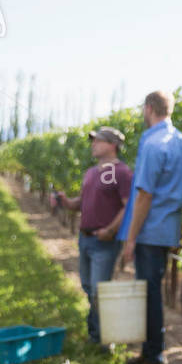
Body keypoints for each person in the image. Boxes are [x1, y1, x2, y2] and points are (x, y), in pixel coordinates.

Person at [118, 91, 182, 364]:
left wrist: (131, 237)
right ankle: (151, 353)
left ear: (149, 108)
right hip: (167, 227)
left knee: (149, 294)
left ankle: (153, 359)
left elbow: (145, 195)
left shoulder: (152, 143)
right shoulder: (181, 141)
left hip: (149, 229)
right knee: (153, 292)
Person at [56, 127, 133, 348]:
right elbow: (82, 202)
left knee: (100, 291)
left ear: (112, 145)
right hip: (85, 238)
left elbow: (128, 207)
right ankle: (96, 333)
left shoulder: (122, 173)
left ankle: (104, 339)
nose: (93, 145)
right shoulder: (91, 172)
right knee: (90, 288)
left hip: (104, 241)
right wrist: (65, 201)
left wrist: (110, 230)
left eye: (97, 141)